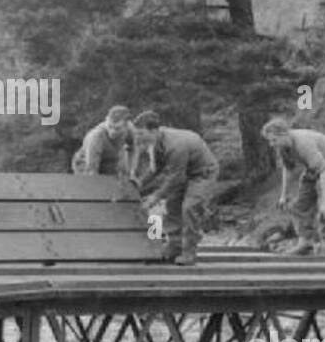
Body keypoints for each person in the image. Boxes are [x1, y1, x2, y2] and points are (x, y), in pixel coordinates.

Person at [130, 111, 219, 266]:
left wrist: (155, 197)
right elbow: (155, 169)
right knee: (172, 206)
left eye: (141, 133)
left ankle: (189, 252)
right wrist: (138, 183)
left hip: (202, 174)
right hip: (183, 173)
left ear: (153, 130)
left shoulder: (176, 145)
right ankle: (175, 247)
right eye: (137, 134)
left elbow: (176, 177)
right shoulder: (155, 143)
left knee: (189, 208)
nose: (138, 137)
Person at [262, 116, 325, 258]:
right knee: (300, 205)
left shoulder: (303, 144)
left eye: (273, 140)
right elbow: (288, 169)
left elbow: (323, 171)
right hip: (311, 167)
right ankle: (305, 243)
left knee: (324, 207)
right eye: (269, 141)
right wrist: (283, 195)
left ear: (284, 134)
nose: (271, 144)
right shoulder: (282, 147)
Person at [71, 106, 134, 178]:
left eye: (117, 128)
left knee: (118, 182)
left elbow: (132, 149)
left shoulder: (131, 130)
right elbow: (91, 171)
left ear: (126, 126)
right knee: (94, 185)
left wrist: (130, 171)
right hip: (86, 162)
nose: (112, 132)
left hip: (110, 161)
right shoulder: (96, 137)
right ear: (106, 120)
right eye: (110, 126)